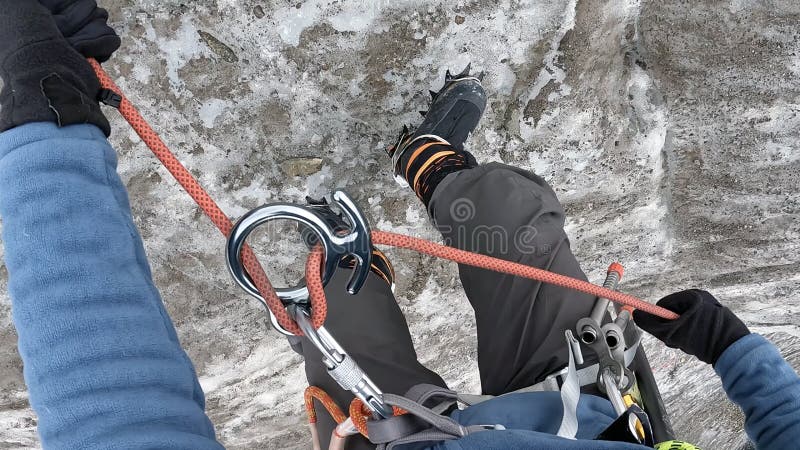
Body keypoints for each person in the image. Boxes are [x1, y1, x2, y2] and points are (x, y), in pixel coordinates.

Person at [0, 2, 798, 450]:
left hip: (394, 442)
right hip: (599, 423)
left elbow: (120, 426)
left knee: (340, 313)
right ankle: (432, 160)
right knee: (518, 223)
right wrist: (736, 351)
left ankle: (343, 257)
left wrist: (40, 123)